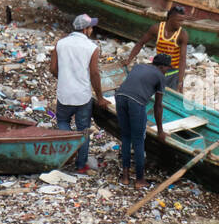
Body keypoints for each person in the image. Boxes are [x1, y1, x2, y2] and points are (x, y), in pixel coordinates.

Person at [48, 13, 104, 174]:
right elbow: (94, 73)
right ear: (85, 30)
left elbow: (52, 68)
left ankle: (64, 157)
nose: (92, 29)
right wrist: (100, 97)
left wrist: (64, 78)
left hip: (64, 93)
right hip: (83, 96)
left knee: (63, 123)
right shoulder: (92, 48)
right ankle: (80, 165)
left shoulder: (61, 44)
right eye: (91, 27)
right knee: (83, 130)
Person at [114, 52, 171, 188]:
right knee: (138, 140)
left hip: (120, 96)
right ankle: (140, 180)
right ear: (163, 67)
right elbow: (158, 106)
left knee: (126, 137)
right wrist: (160, 131)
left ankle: (126, 177)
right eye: (168, 67)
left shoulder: (139, 66)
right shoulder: (160, 76)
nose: (168, 70)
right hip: (136, 102)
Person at [125, 5, 188, 90]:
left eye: (182, 21)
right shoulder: (157, 29)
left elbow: (183, 59)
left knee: (165, 93)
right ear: (171, 18)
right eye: (179, 20)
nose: (181, 23)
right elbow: (140, 43)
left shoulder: (182, 34)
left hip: (173, 71)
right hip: (159, 68)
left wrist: (180, 81)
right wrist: (129, 60)